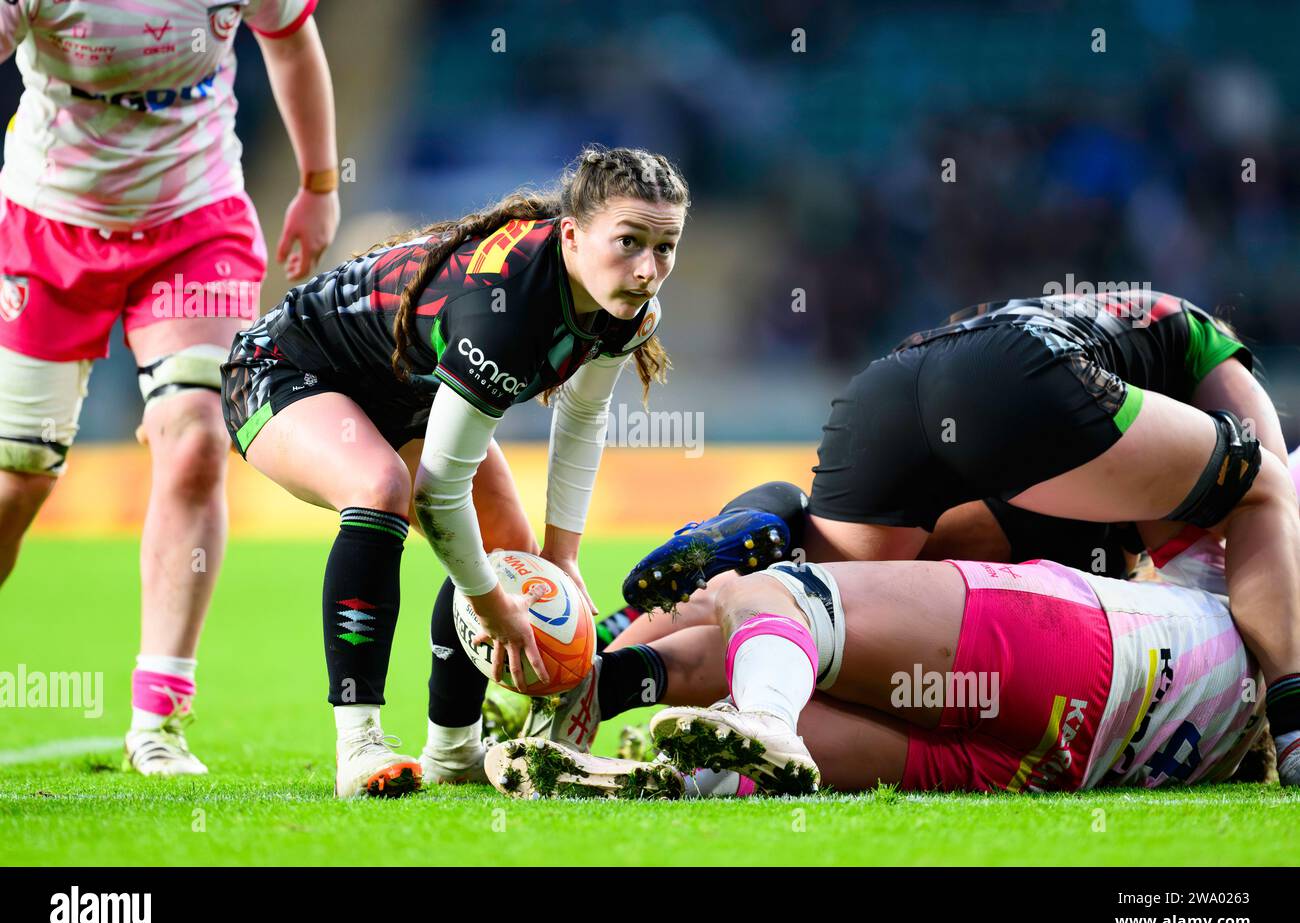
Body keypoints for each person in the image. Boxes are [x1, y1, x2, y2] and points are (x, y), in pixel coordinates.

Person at [611, 290, 1300, 782]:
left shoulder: (1104, 463)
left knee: (804, 604)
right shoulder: (1210, 349)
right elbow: (1266, 512)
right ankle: (1298, 731)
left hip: (890, 390)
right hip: (1021, 380)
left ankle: (600, 669)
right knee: (1261, 486)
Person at [220, 146, 690, 798]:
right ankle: (359, 745)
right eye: (630, 242)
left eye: (665, 247)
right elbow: (437, 497)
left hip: (407, 396)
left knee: (513, 556)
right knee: (382, 488)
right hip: (283, 371)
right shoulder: (502, 310)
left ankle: (452, 749)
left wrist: (563, 557)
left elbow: (581, 418)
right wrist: (489, 603)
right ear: (574, 235)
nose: (648, 269)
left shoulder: (627, 306)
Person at [0, 0, 339, 775]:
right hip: (46, 223)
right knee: (15, 484)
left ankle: (159, 719)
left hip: (194, 223)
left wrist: (320, 183)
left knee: (195, 439)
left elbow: (290, 44)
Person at [488, 521, 1269, 798]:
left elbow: (1235, 491)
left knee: (785, 595)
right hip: (1060, 765)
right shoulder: (1257, 711)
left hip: (1097, 640)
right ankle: (674, 770)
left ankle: (746, 718)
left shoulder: (1275, 531)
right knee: (766, 676)